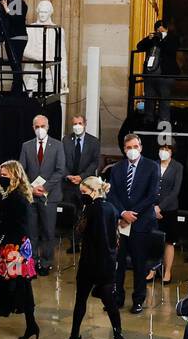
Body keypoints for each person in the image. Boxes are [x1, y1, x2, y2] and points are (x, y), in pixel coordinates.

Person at [0, 160, 38, 339]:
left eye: (6, 175)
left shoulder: (17, 197)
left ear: (15, 176)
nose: (2, 178)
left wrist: (3, 242)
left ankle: (31, 325)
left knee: (21, 286)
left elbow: (18, 226)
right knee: (1, 282)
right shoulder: (9, 194)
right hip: (9, 246)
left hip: (15, 249)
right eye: (1, 175)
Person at [64, 176, 124, 339]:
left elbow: (85, 232)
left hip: (92, 262)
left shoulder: (93, 209)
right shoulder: (111, 208)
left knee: (81, 300)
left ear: (94, 191)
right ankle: (118, 335)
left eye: (84, 192)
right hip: (105, 262)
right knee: (109, 303)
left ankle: (74, 335)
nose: (82, 195)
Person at [108, 133, 160, 314]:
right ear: (124, 149)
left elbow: (152, 195)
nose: (132, 151)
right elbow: (112, 194)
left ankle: (138, 299)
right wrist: (122, 213)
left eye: (135, 147)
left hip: (141, 222)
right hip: (121, 223)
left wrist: (132, 214)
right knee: (119, 263)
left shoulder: (152, 167)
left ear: (140, 147)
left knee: (140, 264)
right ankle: (118, 298)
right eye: (128, 148)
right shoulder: (117, 168)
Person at [17, 115, 66, 276]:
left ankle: (46, 262)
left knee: (48, 231)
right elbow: (21, 170)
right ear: (33, 128)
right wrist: (31, 188)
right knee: (31, 232)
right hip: (30, 196)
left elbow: (60, 170)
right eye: (37, 126)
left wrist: (44, 187)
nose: (40, 129)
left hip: (49, 196)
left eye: (42, 126)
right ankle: (31, 262)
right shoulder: (26, 146)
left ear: (48, 126)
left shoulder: (58, 146)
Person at [62, 115, 101, 251]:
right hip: (68, 184)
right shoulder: (66, 140)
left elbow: (95, 163)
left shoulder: (94, 141)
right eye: (74, 124)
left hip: (86, 184)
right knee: (71, 213)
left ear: (85, 124)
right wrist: (69, 175)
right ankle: (74, 242)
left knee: (85, 214)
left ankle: (85, 241)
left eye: (79, 123)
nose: (77, 126)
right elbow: (62, 160)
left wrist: (81, 176)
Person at [135, 19, 179, 125]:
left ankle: (164, 122)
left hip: (165, 75)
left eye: (162, 29)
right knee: (149, 98)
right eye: (157, 29)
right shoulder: (153, 40)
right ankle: (149, 120)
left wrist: (162, 39)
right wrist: (148, 39)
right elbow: (139, 46)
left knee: (164, 99)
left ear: (167, 29)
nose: (159, 32)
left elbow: (171, 49)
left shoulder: (172, 39)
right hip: (150, 75)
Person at [153, 142, 183, 287]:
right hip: (152, 208)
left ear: (172, 152)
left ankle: (167, 271)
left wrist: (160, 208)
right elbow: (149, 186)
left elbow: (175, 191)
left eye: (167, 149)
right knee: (153, 239)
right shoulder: (153, 165)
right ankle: (152, 269)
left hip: (169, 209)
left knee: (169, 241)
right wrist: (153, 207)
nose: (163, 151)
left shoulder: (178, 167)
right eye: (162, 149)